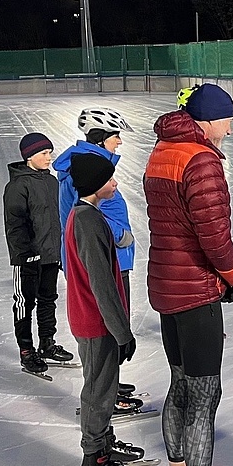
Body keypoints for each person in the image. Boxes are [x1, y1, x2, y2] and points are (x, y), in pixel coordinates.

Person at [144, 83, 233, 466]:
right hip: (195, 291)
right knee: (205, 397)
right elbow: (213, 234)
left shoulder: (161, 152)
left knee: (180, 386)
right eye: (226, 118)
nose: (230, 127)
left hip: (166, 287)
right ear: (207, 120)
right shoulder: (201, 159)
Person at [64, 153, 144, 466]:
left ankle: (104, 443)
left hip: (92, 319)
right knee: (98, 390)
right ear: (96, 185)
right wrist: (121, 331)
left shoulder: (84, 215)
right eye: (110, 179)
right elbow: (102, 284)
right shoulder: (89, 221)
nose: (115, 183)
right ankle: (94, 459)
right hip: (96, 321)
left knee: (105, 386)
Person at [53, 107, 142, 407]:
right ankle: (105, 395)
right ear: (101, 137)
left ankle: (110, 385)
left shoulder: (93, 164)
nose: (119, 142)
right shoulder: (86, 171)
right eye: (116, 136)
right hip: (106, 256)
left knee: (114, 323)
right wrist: (120, 234)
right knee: (108, 325)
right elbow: (83, 216)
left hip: (114, 257)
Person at [2, 132, 73, 376]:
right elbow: (15, 225)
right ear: (29, 156)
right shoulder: (17, 186)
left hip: (51, 254)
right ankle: (26, 350)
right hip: (28, 258)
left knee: (48, 299)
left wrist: (60, 250)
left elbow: (58, 219)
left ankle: (47, 343)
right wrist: (25, 254)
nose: (49, 157)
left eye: (49, 152)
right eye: (44, 153)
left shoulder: (51, 182)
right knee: (24, 303)